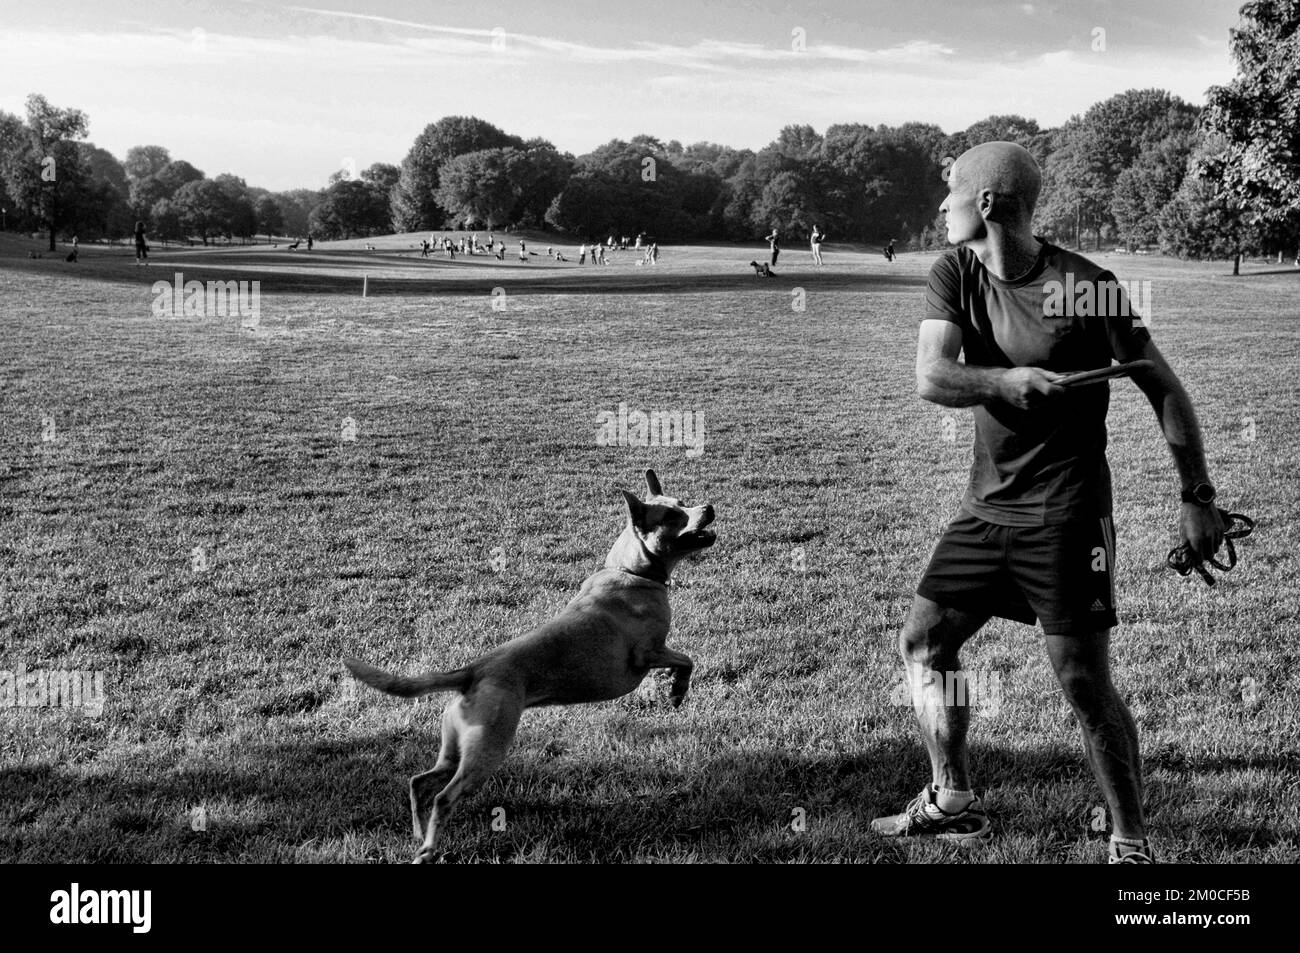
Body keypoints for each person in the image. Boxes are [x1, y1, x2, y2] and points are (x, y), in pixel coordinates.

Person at [871, 141, 1225, 865]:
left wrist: (1197, 495)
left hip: (1066, 515)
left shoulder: (1085, 285)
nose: (943, 207)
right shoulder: (955, 271)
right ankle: (952, 797)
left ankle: (1131, 844)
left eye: (953, 193)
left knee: (1084, 683)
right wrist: (1005, 383)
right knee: (926, 641)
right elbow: (933, 374)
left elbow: (1162, 385)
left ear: (990, 204)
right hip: (985, 510)